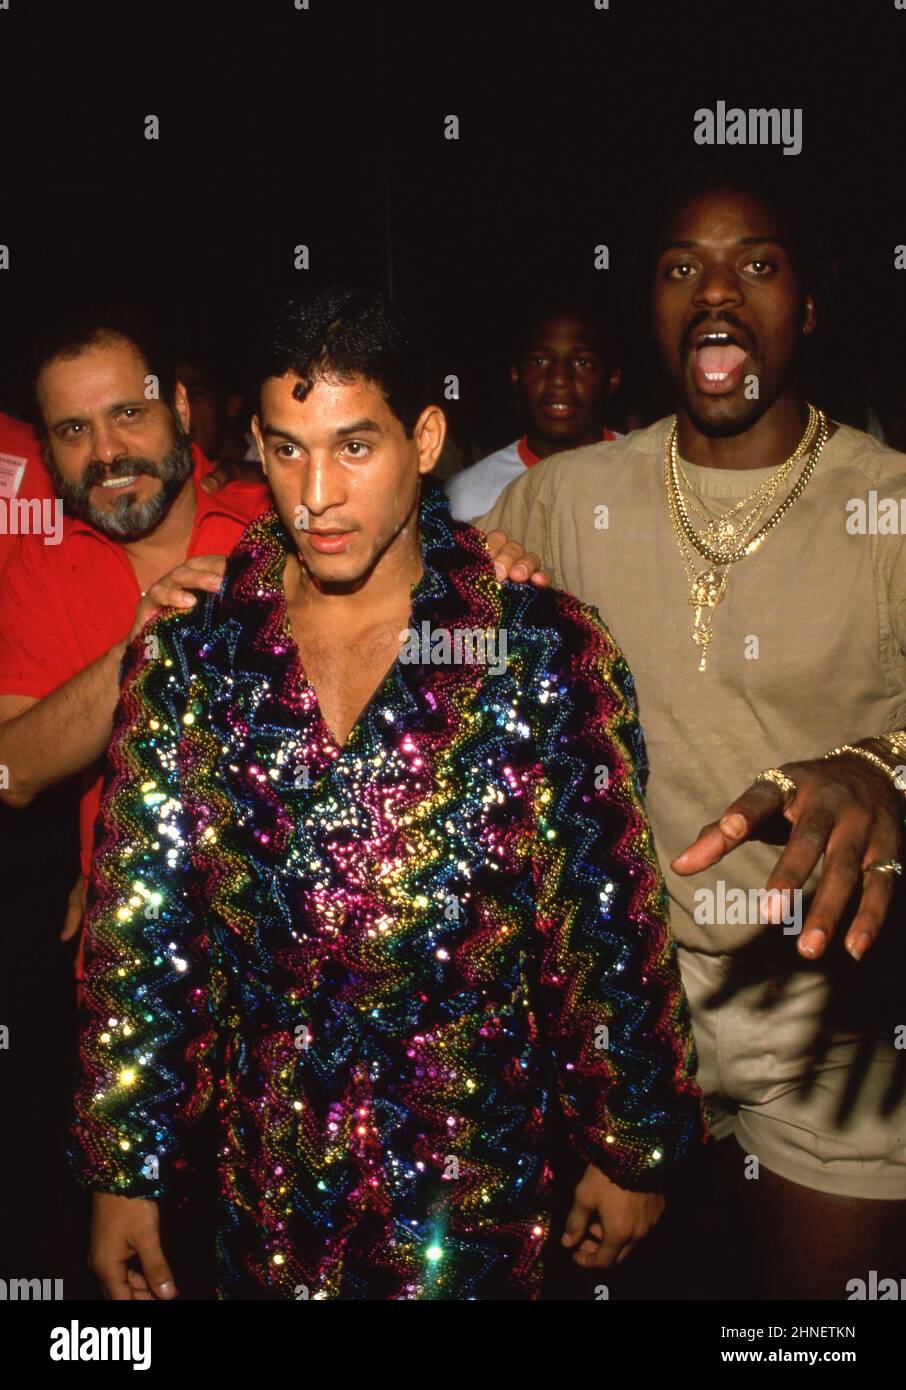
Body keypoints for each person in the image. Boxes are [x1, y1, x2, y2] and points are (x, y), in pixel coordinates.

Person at [69, 287, 706, 1301]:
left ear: (426, 436)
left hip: (482, 1188)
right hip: (266, 1194)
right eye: (285, 449)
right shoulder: (198, 656)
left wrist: (631, 1145)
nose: (315, 492)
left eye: (354, 447)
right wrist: (124, 1169)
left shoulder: (534, 647)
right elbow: (146, 934)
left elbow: (603, 919)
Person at [474, 168, 906, 1299]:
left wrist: (885, 767)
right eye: (681, 269)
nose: (716, 291)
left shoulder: (890, 508)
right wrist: (243, 583)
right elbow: (409, 611)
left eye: (756, 265)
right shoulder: (569, 497)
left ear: (806, 308)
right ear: (654, 313)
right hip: (616, 1005)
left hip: (829, 1020)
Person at [0, 309, 273, 967]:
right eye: (74, 430)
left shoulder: (280, 522)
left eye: (128, 414)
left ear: (179, 407)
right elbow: (12, 773)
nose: (106, 453)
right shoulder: (40, 566)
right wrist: (137, 650)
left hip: (304, 944)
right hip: (135, 962)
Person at [445, 299, 622, 521]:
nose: (559, 379)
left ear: (612, 378)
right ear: (516, 375)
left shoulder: (652, 475)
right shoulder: (466, 499)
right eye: (539, 361)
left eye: (582, 363)